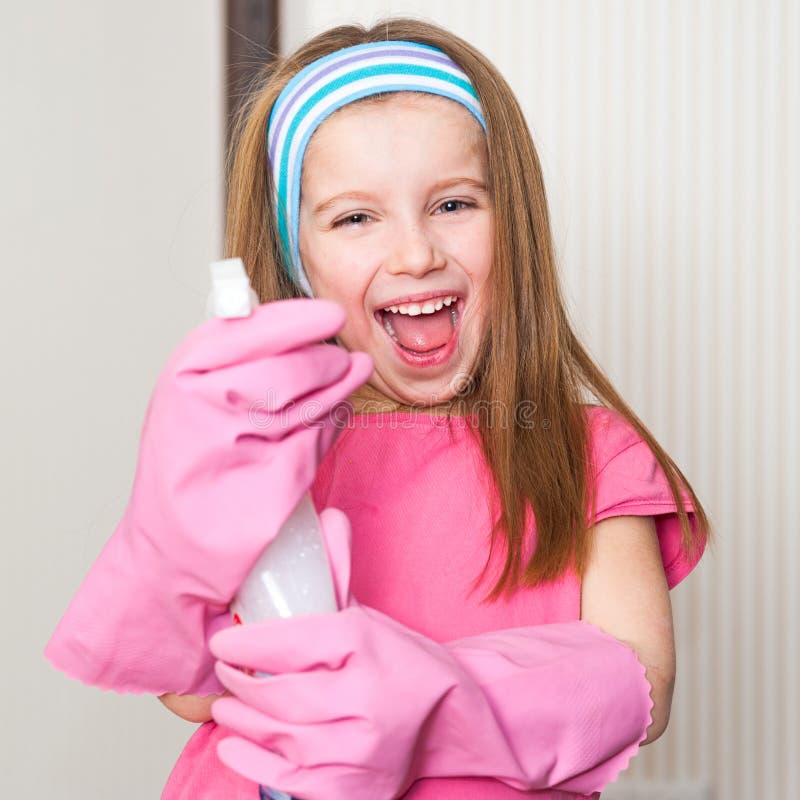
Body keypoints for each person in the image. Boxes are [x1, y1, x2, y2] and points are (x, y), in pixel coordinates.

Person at [45, 16, 713, 800]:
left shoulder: (589, 452)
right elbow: (190, 690)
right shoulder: (274, 452)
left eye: (454, 204)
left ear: (515, 224)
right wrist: (183, 500)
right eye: (356, 218)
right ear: (301, 259)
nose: (416, 253)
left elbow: (645, 687)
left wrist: (440, 698)